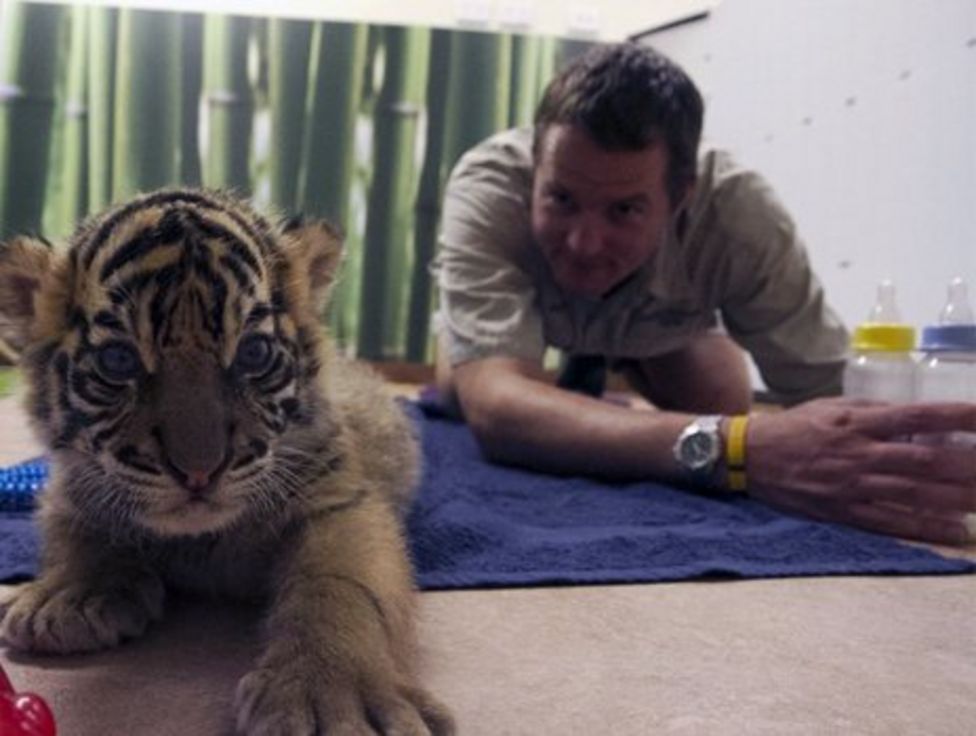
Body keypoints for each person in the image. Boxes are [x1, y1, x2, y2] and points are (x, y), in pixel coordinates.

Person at [432, 42, 976, 546]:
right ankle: (569, 382)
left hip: (657, 334)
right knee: (462, 391)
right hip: (525, 324)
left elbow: (826, 386)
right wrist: (734, 448)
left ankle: (598, 376)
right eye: (562, 199)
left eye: (624, 210)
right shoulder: (487, 188)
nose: (584, 242)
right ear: (535, 168)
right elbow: (498, 409)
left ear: (681, 197)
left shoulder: (740, 215)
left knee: (720, 401)